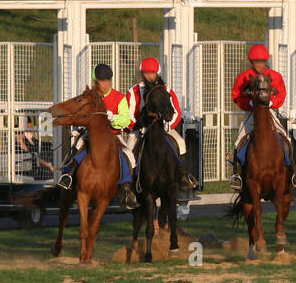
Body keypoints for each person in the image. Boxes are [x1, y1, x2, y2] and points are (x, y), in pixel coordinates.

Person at [57, 64, 138, 209]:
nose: (105, 84)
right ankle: (67, 176)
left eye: (107, 80)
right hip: (91, 135)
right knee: (77, 147)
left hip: (113, 135)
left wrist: (113, 118)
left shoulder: (119, 97)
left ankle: (126, 190)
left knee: (129, 156)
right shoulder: (89, 97)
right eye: (101, 81)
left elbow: (126, 119)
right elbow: (78, 113)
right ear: (96, 81)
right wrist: (77, 127)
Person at [229, 43, 296, 191]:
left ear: (266, 61)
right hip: (251, 113)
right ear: (251, 61)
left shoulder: (275, 76)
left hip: (270, 111)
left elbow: (281, 94)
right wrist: (250, 103)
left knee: (286, 138)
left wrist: (271, 102)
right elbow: (236, 96)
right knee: (238, 142)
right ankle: (237, 176)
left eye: (262, 61)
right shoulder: (244, 77)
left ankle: (294, 173)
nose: (259, 64)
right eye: (256, 61)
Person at [124, 57, 197, 191]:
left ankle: (183, 176)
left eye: (151, 73)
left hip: (163, 127)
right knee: (128, 150)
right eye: (145, 73)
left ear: (157, 74)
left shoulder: (166, 89)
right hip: (140, 129)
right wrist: (138, 127)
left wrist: (167, 126)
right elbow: (128, 114)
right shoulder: (133, 91)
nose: (149, 76)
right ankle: (127, 187)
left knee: (180, 142)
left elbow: (176, 112)